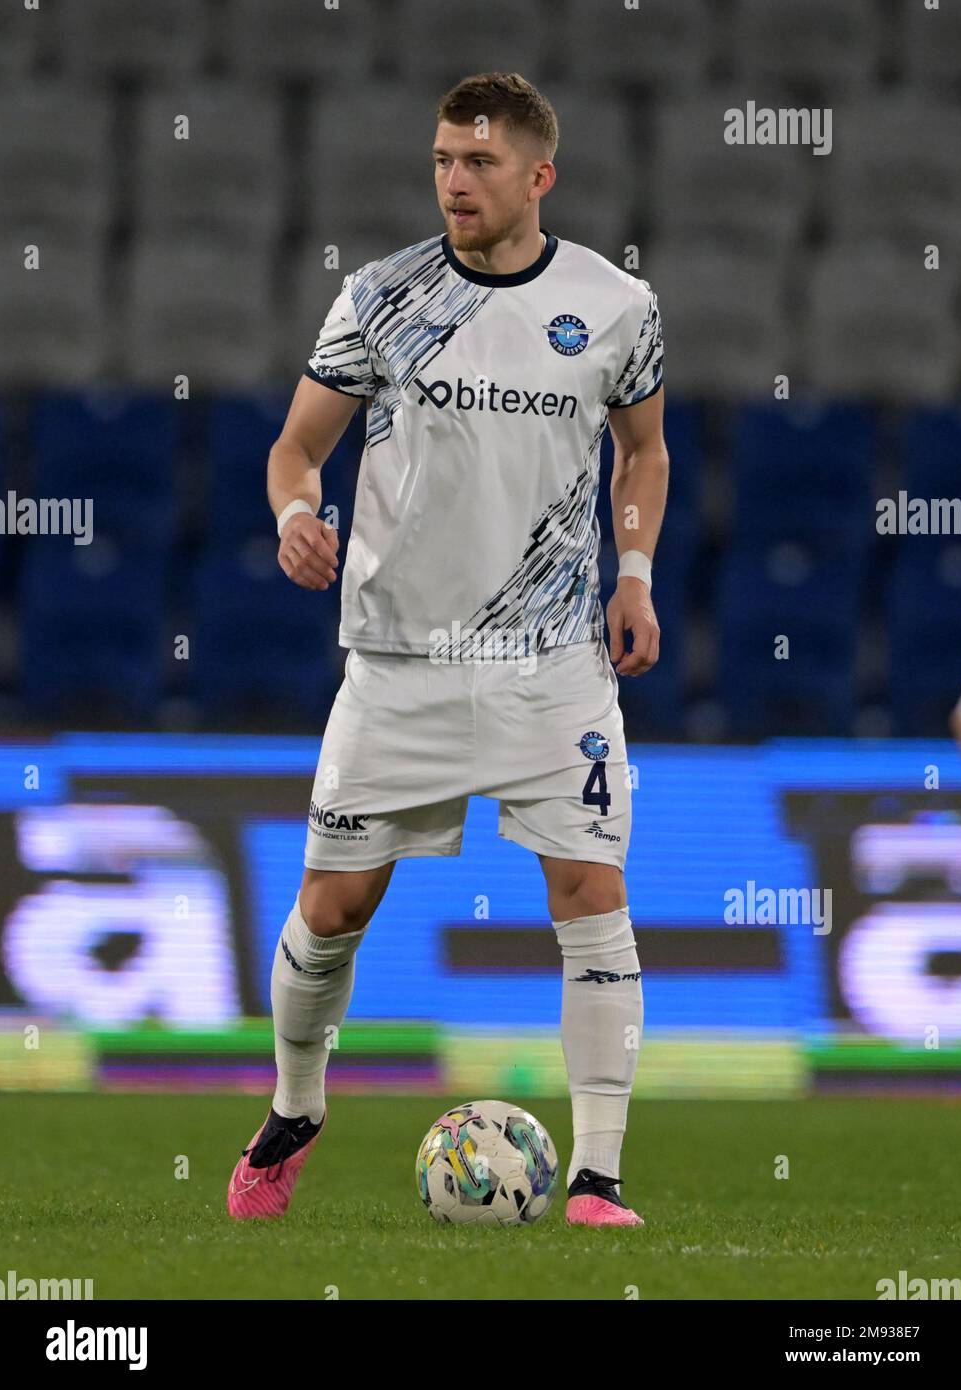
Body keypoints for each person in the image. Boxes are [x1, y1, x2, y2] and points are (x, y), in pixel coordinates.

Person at [228, 72, 668, 1227]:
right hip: (398, 658)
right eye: (440, 161)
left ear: (538, 175)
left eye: (476, 163)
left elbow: (645, 454)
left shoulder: (615, 304)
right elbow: (293, 449)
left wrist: (633, 573)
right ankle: (295, 1106)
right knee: (331, 908)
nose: (453, 182)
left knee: (590, 893)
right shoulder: (381, 297)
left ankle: (596, 1177)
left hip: (550, 656)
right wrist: (292, 517)